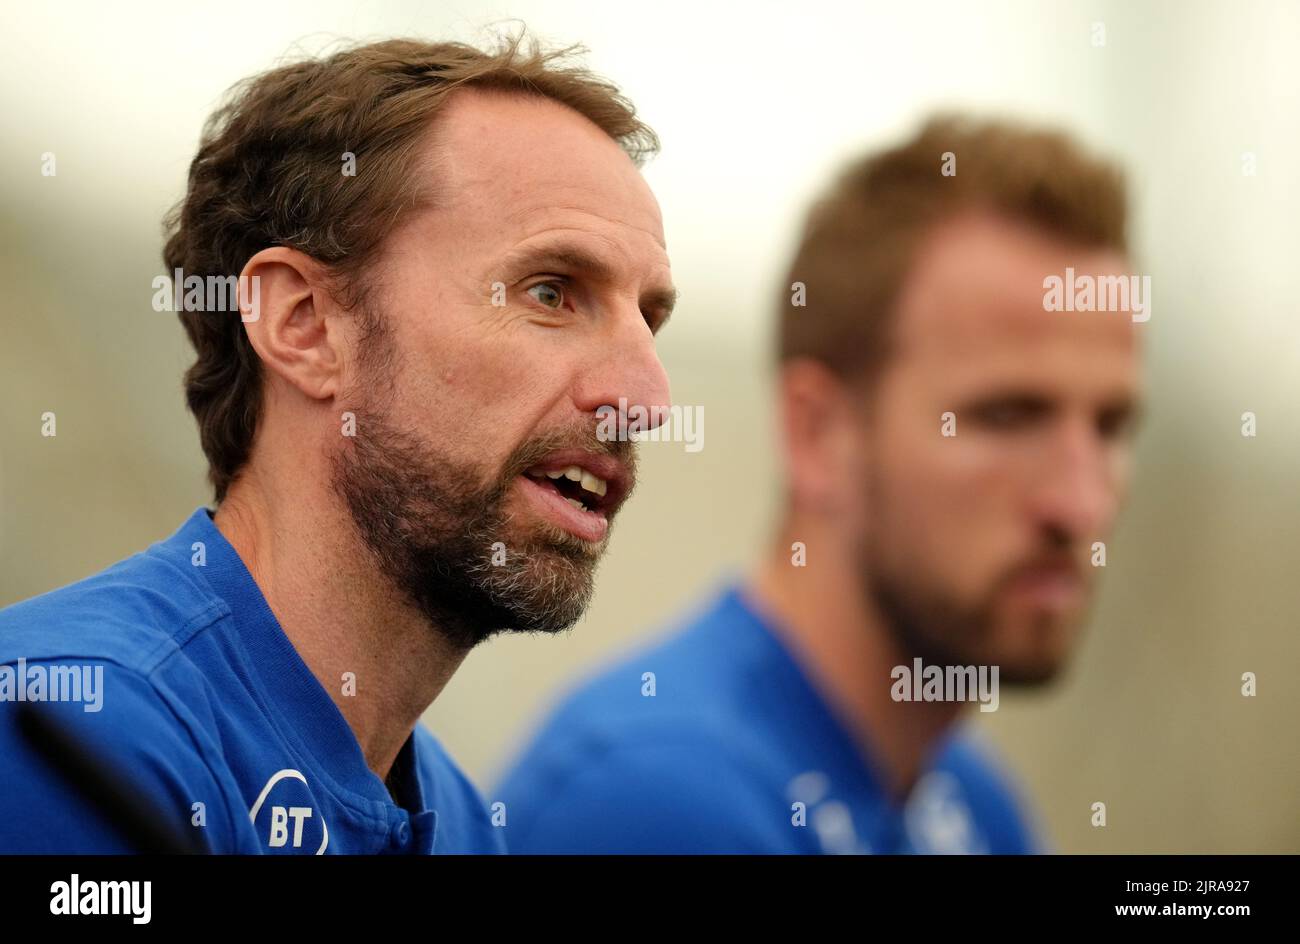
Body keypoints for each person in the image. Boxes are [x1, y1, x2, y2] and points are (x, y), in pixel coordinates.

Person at [0, 35, 675, 854]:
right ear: (305, 327)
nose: (645, 401)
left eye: (651, 319)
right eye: (550, 292)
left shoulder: (462, 823)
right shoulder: (64, 732)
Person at [496, 116, 1144, 854]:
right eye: (1006, 417)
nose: (1081, 504)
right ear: (818, 434)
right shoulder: (655, 801)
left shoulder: (971, 805)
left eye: (1111, 427)